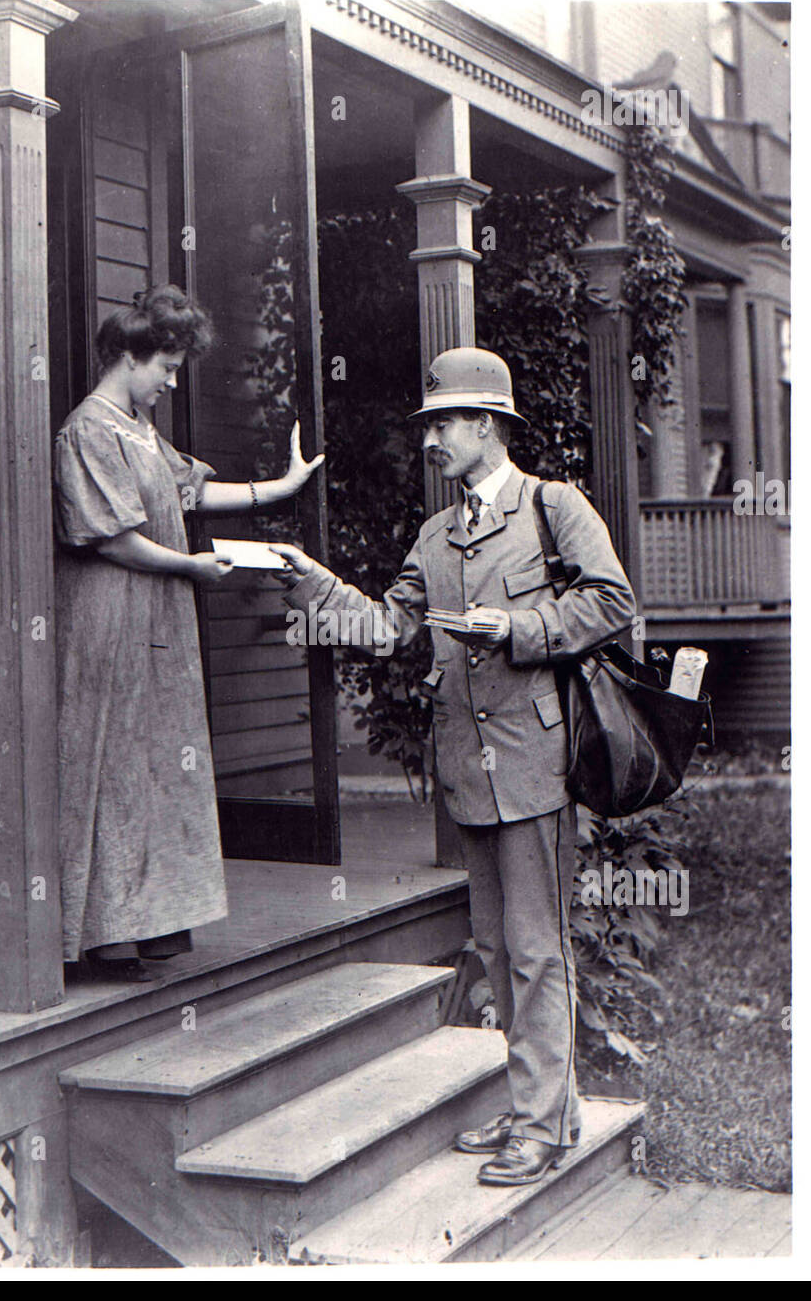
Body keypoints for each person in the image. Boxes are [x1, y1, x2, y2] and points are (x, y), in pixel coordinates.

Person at [271, 346, 635, 1186]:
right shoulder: (436, 535)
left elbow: (614, 603)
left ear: (487, 426)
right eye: (429, 424)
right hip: (469, 771)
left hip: (537, 763)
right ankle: (544, 1106)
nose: (431, 438)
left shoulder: (553, 507)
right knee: (495, 947)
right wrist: (314, 587)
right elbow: (390, 628)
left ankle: (541, 1125)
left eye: (444, 422)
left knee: (537, 948)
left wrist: (518, 629)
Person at [53, 285, 322, 980]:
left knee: (157, 761)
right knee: (115, 762)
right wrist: (192, 568)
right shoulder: (89, 429)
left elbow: (194, 493)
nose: (173, 382)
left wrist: (280, 488)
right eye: (166, 368)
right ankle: (104, 933)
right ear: (128, 357)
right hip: (112, 614)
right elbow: (112, 540)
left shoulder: (140, 428)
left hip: (159, 613)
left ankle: (152, 923)